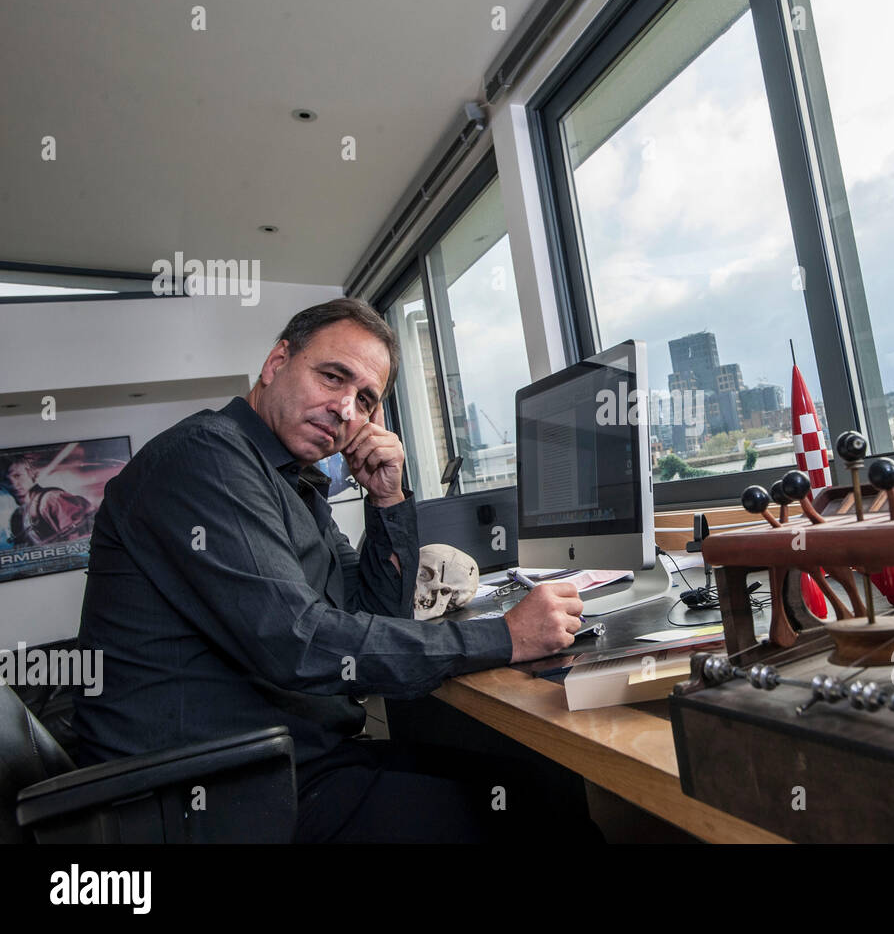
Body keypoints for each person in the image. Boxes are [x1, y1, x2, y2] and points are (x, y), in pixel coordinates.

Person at [71, 298, 591, 842]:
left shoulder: (293, 482)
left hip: (290, 767)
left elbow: (373, 610)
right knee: (538, 819)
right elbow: (298, 641)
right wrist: (504, 636)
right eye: (332, 376)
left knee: (538, 786)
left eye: (365, 399)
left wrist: (387, 498)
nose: (346, 409)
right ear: (276, 364)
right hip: (207, 799)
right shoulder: (208, 460)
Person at [3, 454, 96, 546]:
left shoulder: (52, 499)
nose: (13, 484)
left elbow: (82, 539)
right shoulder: (18, 516)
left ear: (31, 475)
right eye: (5, 480)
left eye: (17, 476)